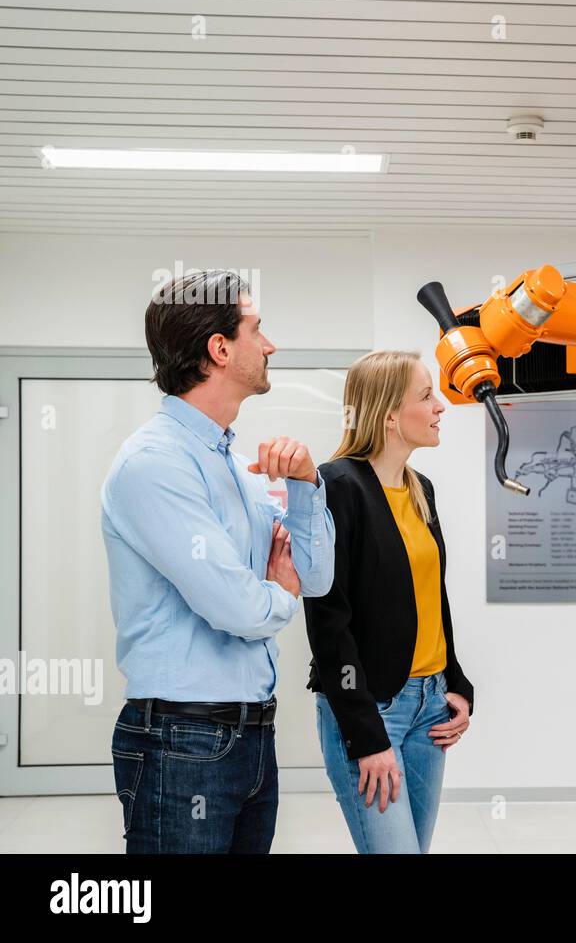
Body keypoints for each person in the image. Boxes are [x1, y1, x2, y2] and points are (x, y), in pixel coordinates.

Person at [102, 269, 335, 854]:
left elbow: (317, 576)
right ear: (220, 348)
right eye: (258, 329)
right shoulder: (154, 464)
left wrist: (308, 486)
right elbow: (239, 606)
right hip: (183, 742)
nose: (271, 344)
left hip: (250, 735)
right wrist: (279, 592)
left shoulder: (236, 468)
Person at [304, 350, 474, 854]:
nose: (441, 405)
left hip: (430, 706)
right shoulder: (336, 485)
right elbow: (328, 621)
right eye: (427, 395)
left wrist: (456, 683)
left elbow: (431, 598)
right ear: (389, 415)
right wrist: (365, 735)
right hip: (370, 708)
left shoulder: (422, 489)